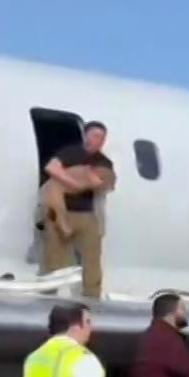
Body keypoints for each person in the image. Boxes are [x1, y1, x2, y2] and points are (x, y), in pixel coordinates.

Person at [39, 123, 116, 298]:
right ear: (85, 136)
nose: (99, 140)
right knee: (52, 254)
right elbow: (51, 167)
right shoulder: (70, 153)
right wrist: (73, 183)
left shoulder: (103, 162)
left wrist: (89, 180)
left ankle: (92, 294)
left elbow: (103, 183)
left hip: (86, 212)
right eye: (96, 135)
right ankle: (47, 293)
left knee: (92, 257)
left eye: (102, 137)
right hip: (58, 210)